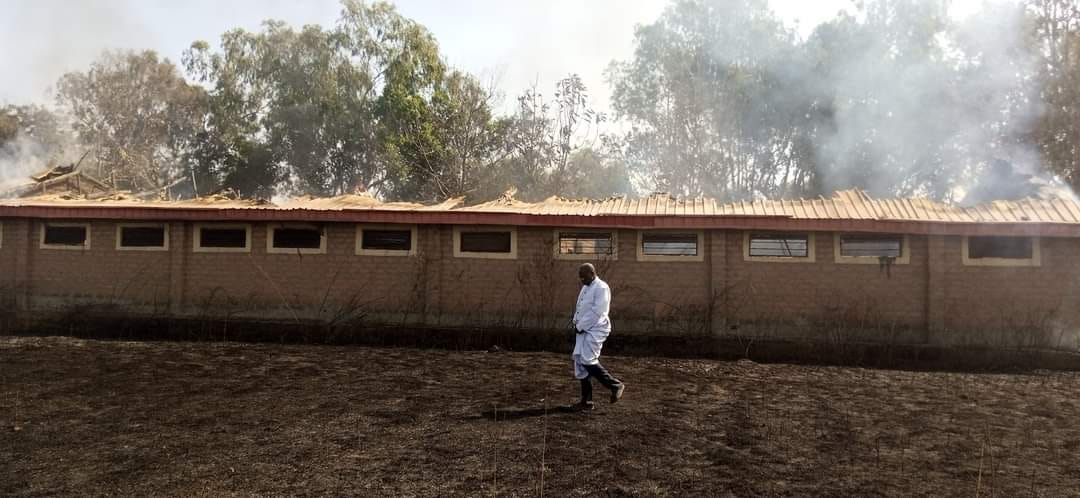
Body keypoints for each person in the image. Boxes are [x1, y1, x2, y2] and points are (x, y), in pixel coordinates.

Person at [570, 263, 624, 411]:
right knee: (580, 362)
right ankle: (586, 402)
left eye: (583, 276)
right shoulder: (586, 287)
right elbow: (580, 307)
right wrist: (575, 322)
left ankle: (615, 385)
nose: (581, 280)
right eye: (580, 277)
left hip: (597, 329)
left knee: (588, 359)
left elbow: (597, 311)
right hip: (584, 328)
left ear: (592, 273)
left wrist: (581, 326)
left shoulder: (601, 287)